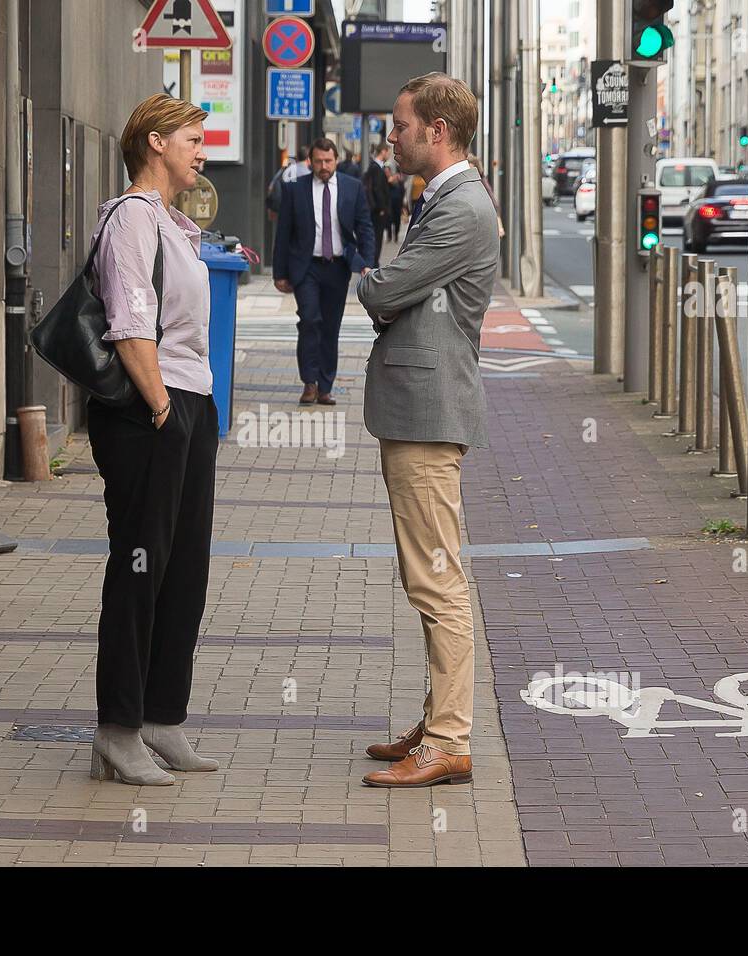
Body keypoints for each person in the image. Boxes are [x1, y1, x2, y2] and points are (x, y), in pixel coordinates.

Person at [356, 73, 498, 789]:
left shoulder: (462, 207)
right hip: (418, 403)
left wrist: (373, 288)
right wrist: (395, 293)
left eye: (401, 125)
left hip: (428, 408)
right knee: (427, 574)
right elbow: (403, 292)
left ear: (437, 130)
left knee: (437, 579)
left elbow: (385, 289)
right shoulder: (441, 197)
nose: (392, 135)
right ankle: (438, 718)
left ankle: (448, 739)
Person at [86, 93, 220, 786]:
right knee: (140, 568)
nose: (203, 148)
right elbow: (130, 323)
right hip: (150, 411)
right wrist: (165, 408)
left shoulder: (170, 221)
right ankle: (117, 730)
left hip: (188, 404)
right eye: (193, 138)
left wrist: (189, 410)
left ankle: (164, 718)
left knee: (184, 568)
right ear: (155, 143)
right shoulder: (131, 219)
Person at [273, 137, 375, 406]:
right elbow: (283, 233)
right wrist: (279, 273)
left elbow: (365, 226)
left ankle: (326, 386)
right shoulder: (296, 190)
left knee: (331, 327)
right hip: (306, 267)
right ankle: (309, 382)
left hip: (338, 267)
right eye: (318, 161)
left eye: (328, 161)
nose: (323, 166)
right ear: (311, 161)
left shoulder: (352, 188)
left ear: (336, 160)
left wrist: (366, 262)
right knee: (309, 320)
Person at [363, 143, 393, 267]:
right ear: (383, 151)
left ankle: (373, 262)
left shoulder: (376, 167)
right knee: (377, 237)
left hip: (376, 209)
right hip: (377, 211)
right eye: (389, 152)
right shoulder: (376, 168)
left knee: (376, 237)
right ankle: (373, 263)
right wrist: (381, 208)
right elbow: (376, 189)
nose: (389, 155)